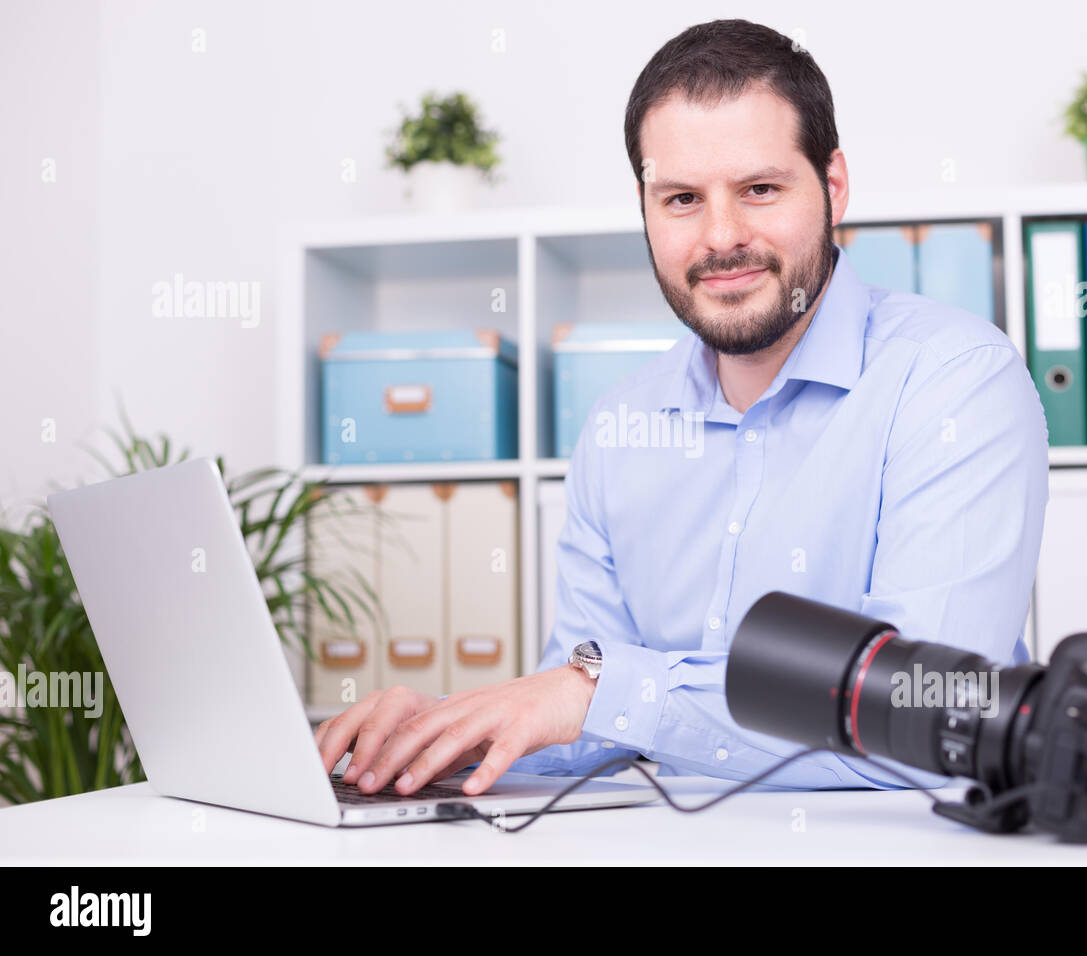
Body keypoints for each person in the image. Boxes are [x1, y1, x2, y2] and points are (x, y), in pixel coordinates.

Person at [314, 18, 1048, 796]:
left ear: (832, 186)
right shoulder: (619, 425)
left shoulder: (956, 381)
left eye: (760, 189)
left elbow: (925, 718)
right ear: (645, 205)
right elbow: (584, 720)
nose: (722, 236)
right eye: (682, 199)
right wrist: (447, 733)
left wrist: (601, 694)